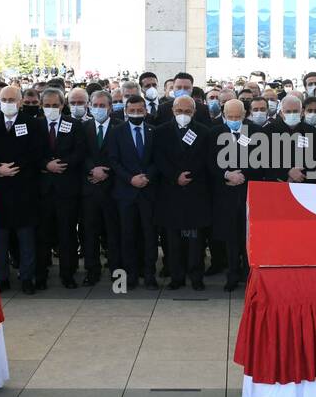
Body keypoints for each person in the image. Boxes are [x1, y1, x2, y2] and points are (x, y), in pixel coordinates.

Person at [0, 85, 43, 294]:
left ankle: (27, 278)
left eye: (11, 99)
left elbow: (36, 153)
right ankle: (1, 278)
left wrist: (16, 168)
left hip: (23, 188)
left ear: (20, 102)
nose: (7, 103)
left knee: (26, 238)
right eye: (3, 99)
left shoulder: (33, 125)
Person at [153, 94, 211, 290]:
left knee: (195, 240)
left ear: (194, 112)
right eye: (179, 111)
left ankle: (196, 276)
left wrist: (189, 175)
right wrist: (175, 176)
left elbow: (205, 158)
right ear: (172, 111)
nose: (183, 115)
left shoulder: (204, 132)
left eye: (187, 111)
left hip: (195, 192)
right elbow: (158, 158)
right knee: (173, 240)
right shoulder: (160, 132)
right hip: (171, 192)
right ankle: (176, 276)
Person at [105, 94, 160, 290]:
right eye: (132, 111)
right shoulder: (116, 132)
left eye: (140, 110)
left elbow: (157, 159)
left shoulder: (154, 131)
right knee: (127, 235)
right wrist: (130, 179)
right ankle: (130, 276)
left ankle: (150, 274)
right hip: (125, 193)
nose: (136, 114)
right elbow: (113, 160)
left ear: (145, 111)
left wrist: (147, 177)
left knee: (149, 235)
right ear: (126, 112)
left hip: (148, 191)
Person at [35, 87, 87, 290]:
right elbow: (31, 152)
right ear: (41, 106)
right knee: (42, 235)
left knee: (67, 234)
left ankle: (68, 273)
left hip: (67, 189)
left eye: (55, 105)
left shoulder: (73, 125)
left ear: (62, 105)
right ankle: (41, 274)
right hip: (43, 190)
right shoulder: (36, 126)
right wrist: (46, 165)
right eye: (47, 106)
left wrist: (62, 164)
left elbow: (80, 150)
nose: (51, 109)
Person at [209, 98, 260, 291]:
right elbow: (210, 161)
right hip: (226, 193)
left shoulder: (256, 132)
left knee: (248, 236)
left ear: (245, 115)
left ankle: (249, 274)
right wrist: (226, 174)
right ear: (224, 116)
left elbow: (262, 161)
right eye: (230, 116)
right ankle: (232, 274)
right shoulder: (215, 133)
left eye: (237, 116)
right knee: (231, 236)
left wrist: (243, 175)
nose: (234, 120)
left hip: (248, 192)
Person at [79, 89, 122, 287]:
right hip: (89, 189)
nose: (98, 109)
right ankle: (92, 269)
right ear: (89, 106)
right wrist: (92, 170)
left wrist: (106, 172)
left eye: (102, 106)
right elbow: (81, 154)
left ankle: (115, 269)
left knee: (114, 232)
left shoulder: (119, 128)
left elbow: (122, 156)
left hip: (112, 188)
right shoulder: (83, 127)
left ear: (110, 108)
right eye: (95, 105)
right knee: (89, 232)